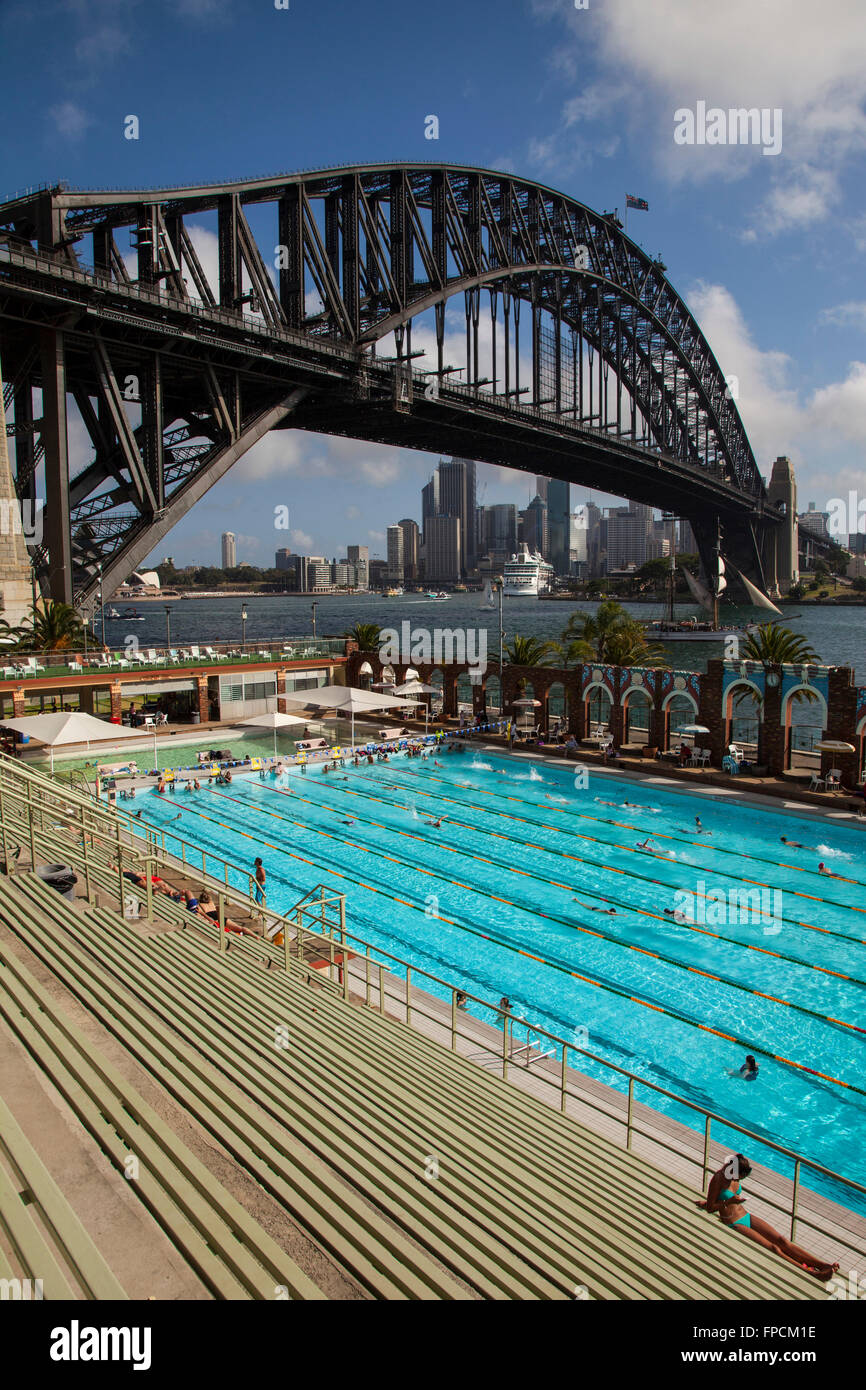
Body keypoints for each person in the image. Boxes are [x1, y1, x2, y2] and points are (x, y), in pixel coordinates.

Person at [697, 1156, 838, 1281]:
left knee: (781, 1240)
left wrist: (720, 1202)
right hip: (733, 1223)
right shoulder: (718, 1179)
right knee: (774, 1248)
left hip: (746, 1216)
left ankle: (823, 1265)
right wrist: (729, 1202)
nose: (738, 1180)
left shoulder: (733, 1177)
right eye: (740, 1176)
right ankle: (810, 1272)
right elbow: (711, 1208)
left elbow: (712, 1202)